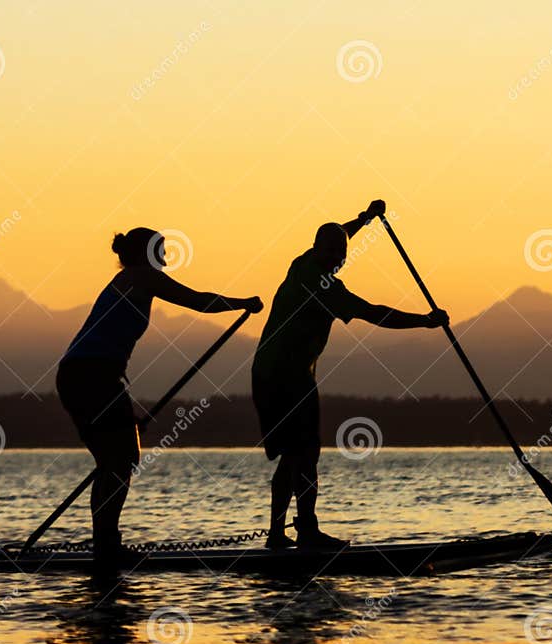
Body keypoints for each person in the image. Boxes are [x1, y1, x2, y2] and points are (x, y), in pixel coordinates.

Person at [56, 228, 263, 564]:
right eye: (161, 252)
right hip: (90, 377)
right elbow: (198, 301)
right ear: (145, 255)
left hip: (88, 377)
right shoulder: (142, 277)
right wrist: (242, 303)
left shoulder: (131, 279)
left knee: (116, 460)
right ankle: (106, 545)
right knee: (119, 460)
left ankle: (104, 543)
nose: (165, 260)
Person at [252, 200, 448, 550]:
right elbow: (375, 314)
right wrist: (424, 321)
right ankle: (306, 532)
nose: (337, 257)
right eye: (331, 252)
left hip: (272, 373)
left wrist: (364, 220)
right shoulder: (324, 286)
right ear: (317, 250)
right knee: (306, 452)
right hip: (286, 377)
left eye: (341, 252)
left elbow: (339, 236)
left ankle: (277, 534)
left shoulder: (300, 264)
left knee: (292, 454)